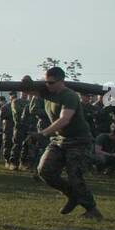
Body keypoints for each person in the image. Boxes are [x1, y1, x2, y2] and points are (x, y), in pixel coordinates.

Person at [24, 68, 102, 219]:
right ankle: (73, 195)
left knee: (75, 176)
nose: (47, 85)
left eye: (51, 82)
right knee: (44, 171)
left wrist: (42, 133)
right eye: (45, 81)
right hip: (59, 140)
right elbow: (29, 90)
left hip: (78, 140)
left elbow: (64, 119)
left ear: (61, 81)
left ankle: (92, 209)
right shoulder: (47, 91)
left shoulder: (69, 96)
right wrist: (27, 81)